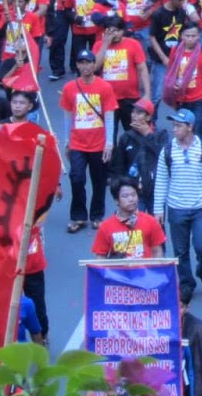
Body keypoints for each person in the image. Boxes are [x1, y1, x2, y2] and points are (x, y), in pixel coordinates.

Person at [154, 108, 202, 303]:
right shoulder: (167, 151)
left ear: (190, 127)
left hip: (200, 208)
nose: (174, 129)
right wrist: (159, 209)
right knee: (180, 251)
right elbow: (161, 181)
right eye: (173, 125)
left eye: (178, 126)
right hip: (176, 209)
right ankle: (186, 283)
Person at [60, 49, 117, 233]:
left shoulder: (104, 87)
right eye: (81, 62)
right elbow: (68, 116)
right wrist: (67, 140)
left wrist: (109, 143)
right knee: (76, 178)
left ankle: (97, 215)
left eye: (88, 62)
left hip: (99, 143)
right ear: (77, 65)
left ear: (94, 65)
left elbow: (109, 116)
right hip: (77, 143)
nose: (85, 66)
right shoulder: (70, 88)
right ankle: (78, 216)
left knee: (98, 181)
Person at [91, 178, 168, 259]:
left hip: (145, 270)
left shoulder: (151, 222)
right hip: (118, 271)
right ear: (116, 200)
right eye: (125, 196)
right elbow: (100, 257)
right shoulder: (105, 227)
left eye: (134, 195)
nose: (131, 199)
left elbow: (158, 252)